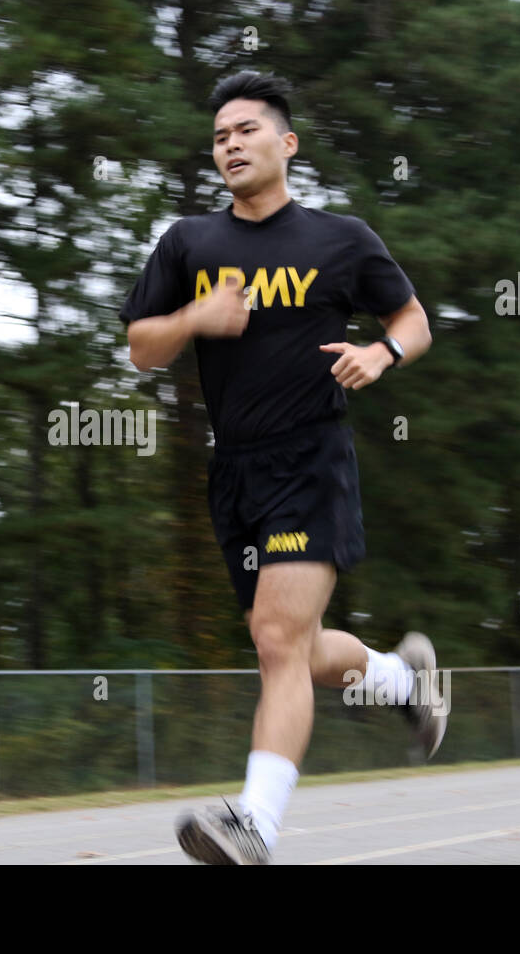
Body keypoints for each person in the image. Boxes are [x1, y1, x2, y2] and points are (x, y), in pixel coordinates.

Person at [119, 71, 446, 865]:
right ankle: (404, 682)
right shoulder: (190, 244)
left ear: (286, 142)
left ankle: (255, 826)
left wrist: (381, 351)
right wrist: (197, 315)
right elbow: (139, 348)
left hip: (312, 457)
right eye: (220, 136)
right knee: (290, 649)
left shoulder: (341, 238)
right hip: (235, 473)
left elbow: (414, 319)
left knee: (275, 639)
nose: (230, 144)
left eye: (246, 130)